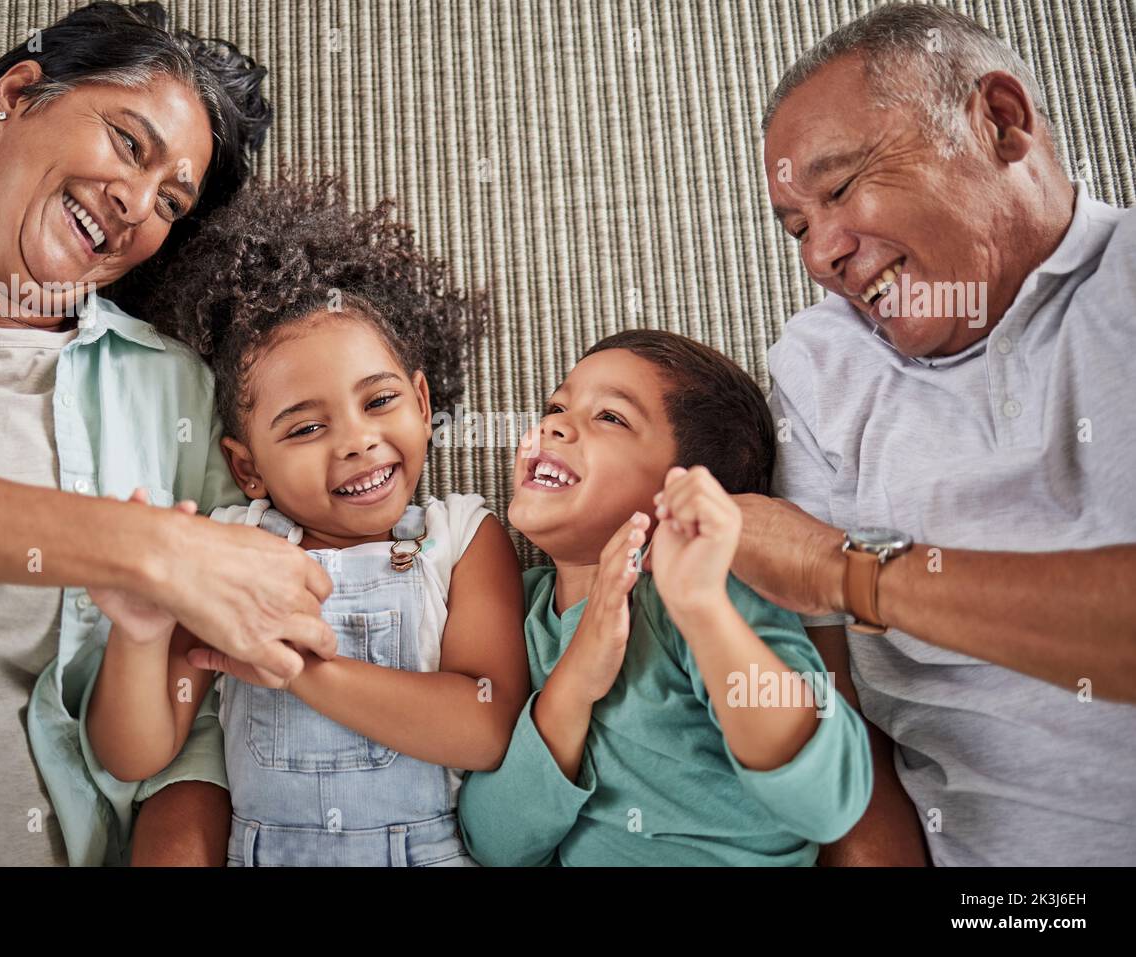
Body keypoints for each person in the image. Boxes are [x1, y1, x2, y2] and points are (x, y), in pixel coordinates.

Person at [0, 2, 334, 867]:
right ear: (19, 93)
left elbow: (191, 742)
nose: (137, 204)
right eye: (129, 145)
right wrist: (138, 546)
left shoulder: (175, 393)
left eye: (171, 202)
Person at [738, 2, 1136, 865]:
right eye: (798, 228)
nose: (819, 256)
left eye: (840, 187)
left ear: (999, 120)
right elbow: (838, 734)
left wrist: (847, 573)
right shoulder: (818, 369)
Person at [85, 173, 530, 865]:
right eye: (305, 428)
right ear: (247, 468)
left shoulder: (463, 538)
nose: (355, 440)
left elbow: (485, 724)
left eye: (379, 401)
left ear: (420, 398)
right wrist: (139, 635)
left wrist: (294, 669)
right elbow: (134, 753)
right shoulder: (228, 548)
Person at [457, 330, 872, 865]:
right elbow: (493, 843)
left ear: (687, 491)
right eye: (556, 405)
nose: (553, 424)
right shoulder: (511, 612)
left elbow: (828, 802)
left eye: (609, 417)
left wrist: (702, 612)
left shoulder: (707, 593)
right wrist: (573, 687)